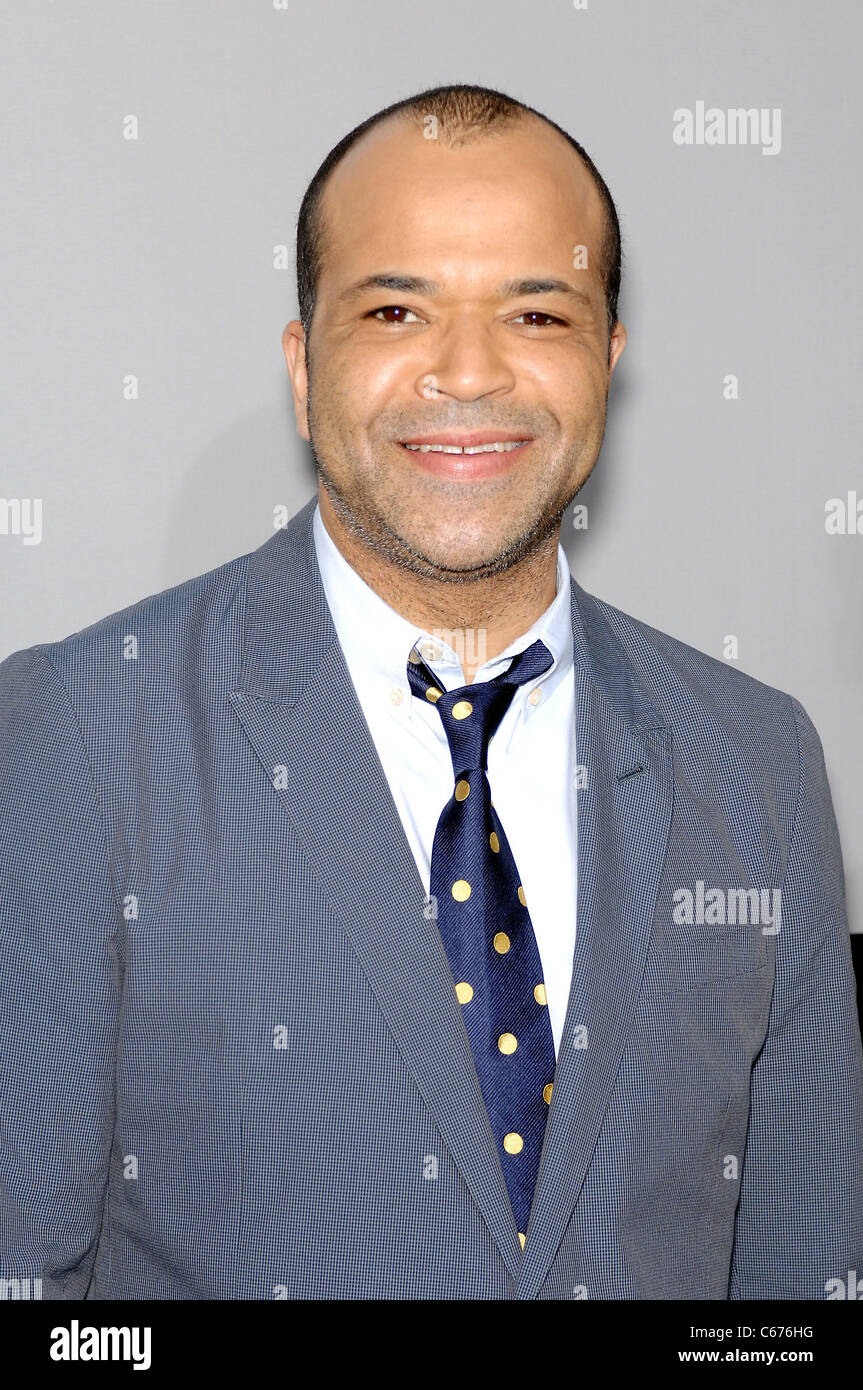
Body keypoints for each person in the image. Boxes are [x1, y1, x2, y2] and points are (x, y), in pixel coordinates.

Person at [1, 83, 860, 1301]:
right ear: (304, 369)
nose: (467, 373)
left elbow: (803, 1288)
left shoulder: (756, 760)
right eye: (395, 307)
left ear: (606, 359)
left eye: (536, 311)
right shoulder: (79, 734)